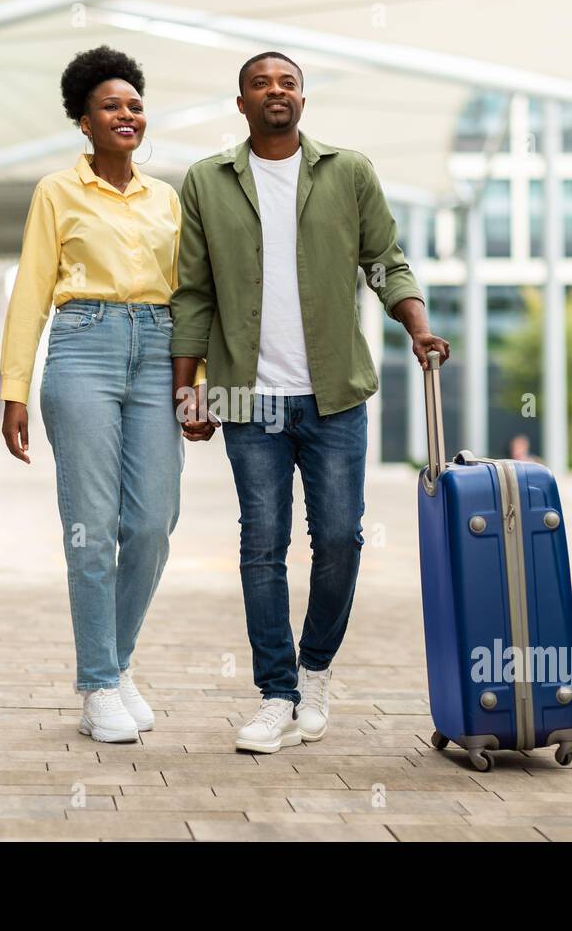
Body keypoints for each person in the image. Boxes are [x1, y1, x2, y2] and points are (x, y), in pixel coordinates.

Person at [170, 51, 450, 754]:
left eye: (286, 82)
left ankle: (315, 670)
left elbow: (385, 260)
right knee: (262, 546)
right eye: (260, 83)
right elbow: (193, 292)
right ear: (241, 103)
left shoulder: (347, 173)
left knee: (339, 539)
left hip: (333, 396)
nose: (275, 91)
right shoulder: (207, 180)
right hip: (247, 398)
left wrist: (417, 327)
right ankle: (276, 695)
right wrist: (187, 390)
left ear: (303, 99)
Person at [0, 46, 208, 745]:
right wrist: (14, 389)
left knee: (151, 525)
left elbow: (189, 296)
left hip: (157, 350)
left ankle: (114, 665)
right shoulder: (56, 193)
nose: (127, 114)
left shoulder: (167, 199)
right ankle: (97, 687)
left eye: (135, 104)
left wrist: (195, 386)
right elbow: (31, 290)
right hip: (82, 346)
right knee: (91, 530)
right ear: (84, 123)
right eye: (111, 105)